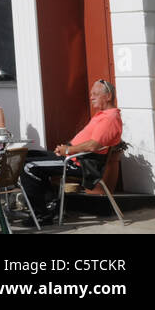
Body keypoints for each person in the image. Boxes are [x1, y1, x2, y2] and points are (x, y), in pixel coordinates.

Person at [20, 80, 123, 223]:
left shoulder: (110, 118)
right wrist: (66, 148)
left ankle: (41, 214)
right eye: (91, 94)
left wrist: (68, 149)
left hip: (81, 164)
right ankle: (52, 204)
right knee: (27, 155)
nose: (91, 97)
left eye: (95, 94)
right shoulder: (103, 115)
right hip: (73, 156)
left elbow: (93, 145)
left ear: (108, 96)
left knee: (28, 167)